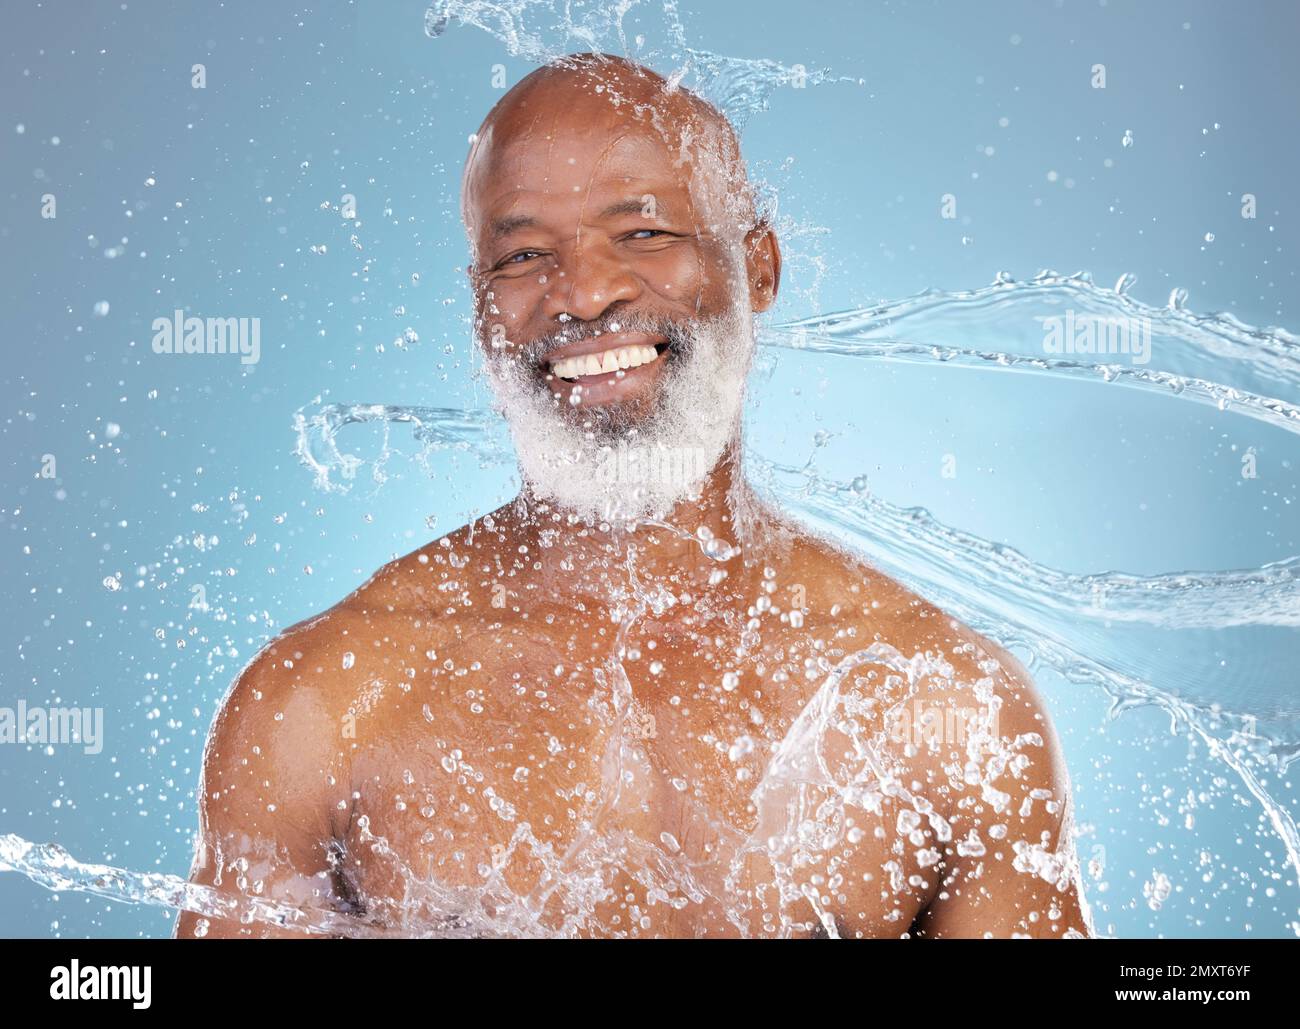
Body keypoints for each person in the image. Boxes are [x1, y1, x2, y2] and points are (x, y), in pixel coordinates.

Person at [174, 52, 1093, 939]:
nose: (582, 293)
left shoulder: (945, 707)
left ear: (758, 266)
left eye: (644, 232)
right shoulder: (324, 706)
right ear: (479, 305)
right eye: (523, 255)